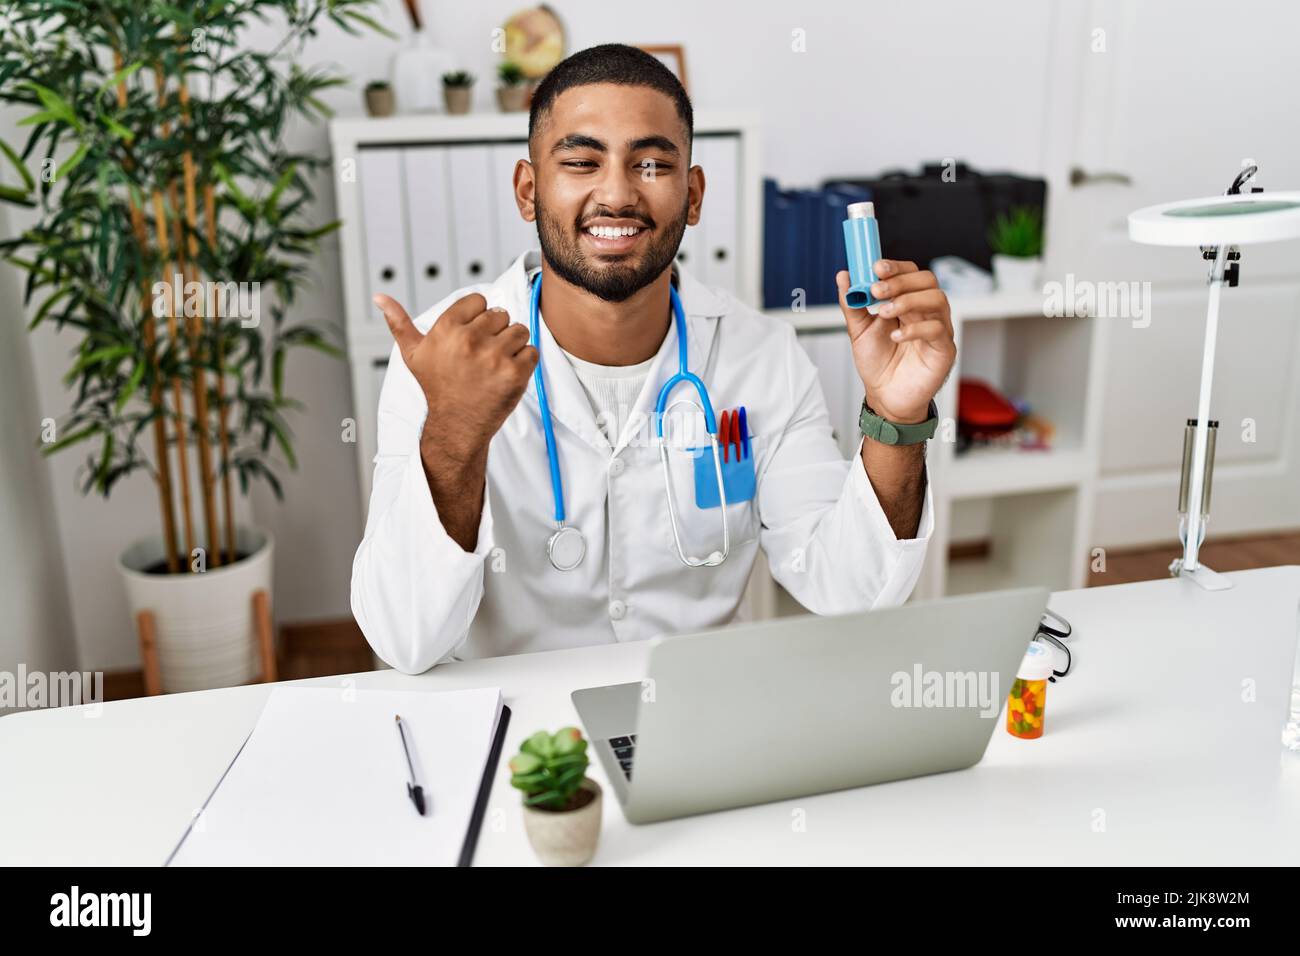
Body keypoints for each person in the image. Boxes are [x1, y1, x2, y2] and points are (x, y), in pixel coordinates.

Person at [351, 44, 956, 673]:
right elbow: (405, 642)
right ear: (528, 191)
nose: (616, 194)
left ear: (693, 197)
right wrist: (454, 433)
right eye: (582, 161)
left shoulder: (762, 358)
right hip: (518, 741)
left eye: (651, 164)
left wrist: (896, 413)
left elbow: (850, 590)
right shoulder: (443, 356)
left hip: (702, 717)